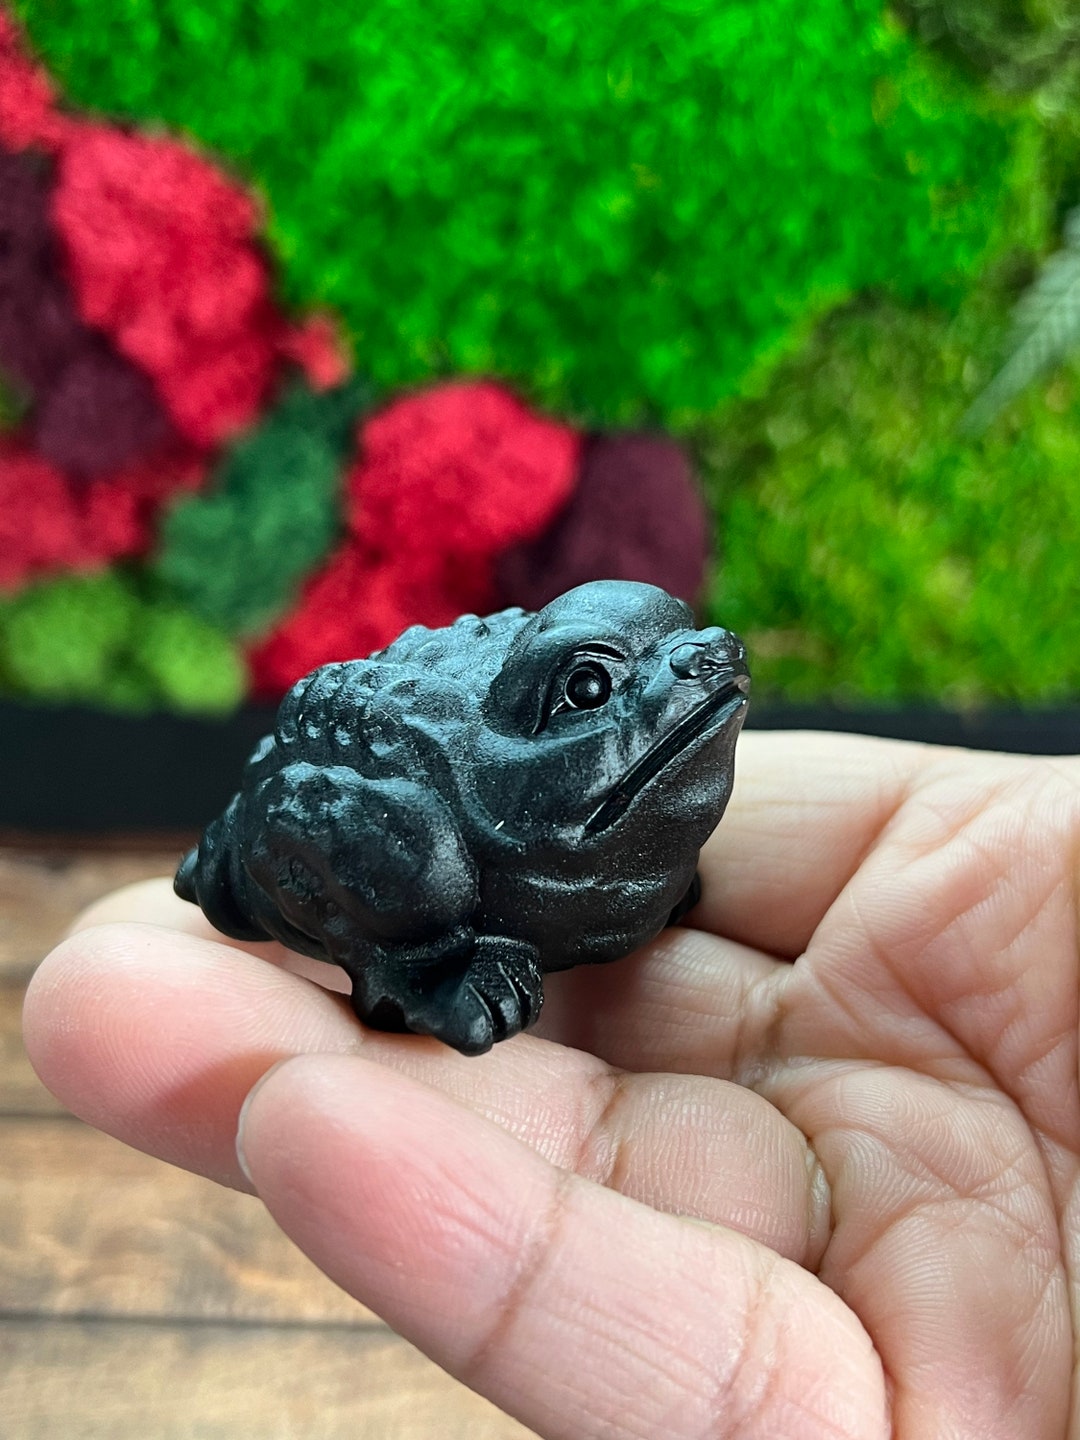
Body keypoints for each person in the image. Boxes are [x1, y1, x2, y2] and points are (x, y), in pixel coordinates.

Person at [22, 731, 1080, 1439]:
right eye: (588, 696)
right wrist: (424, 961)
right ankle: (413, 954)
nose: (688, 675)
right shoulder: (442, 835)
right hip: (323, 817)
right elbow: (313, 810)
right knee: (427, 868)